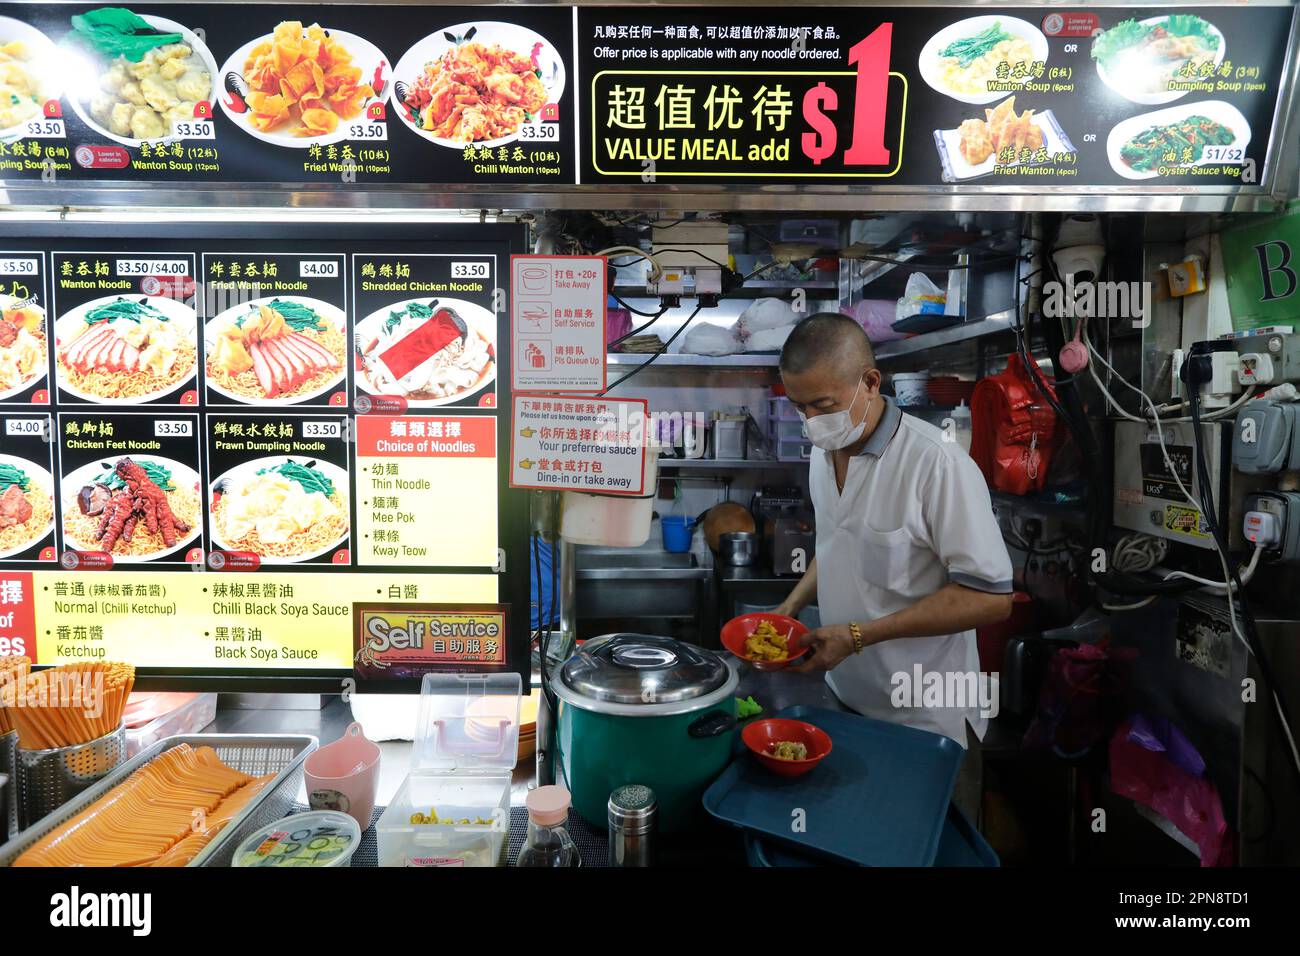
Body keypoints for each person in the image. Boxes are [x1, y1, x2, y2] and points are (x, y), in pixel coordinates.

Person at [773, 313, 1013, 818]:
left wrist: (857, 636)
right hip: (847, 701)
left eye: (823, 405)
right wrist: (793, 605)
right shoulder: (826, 450)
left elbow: (991, 599)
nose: (812, 420)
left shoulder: (936, 464)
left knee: (927, 847)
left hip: (924, 721)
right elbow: (839, 543)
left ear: (870, 381)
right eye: (799, 407)